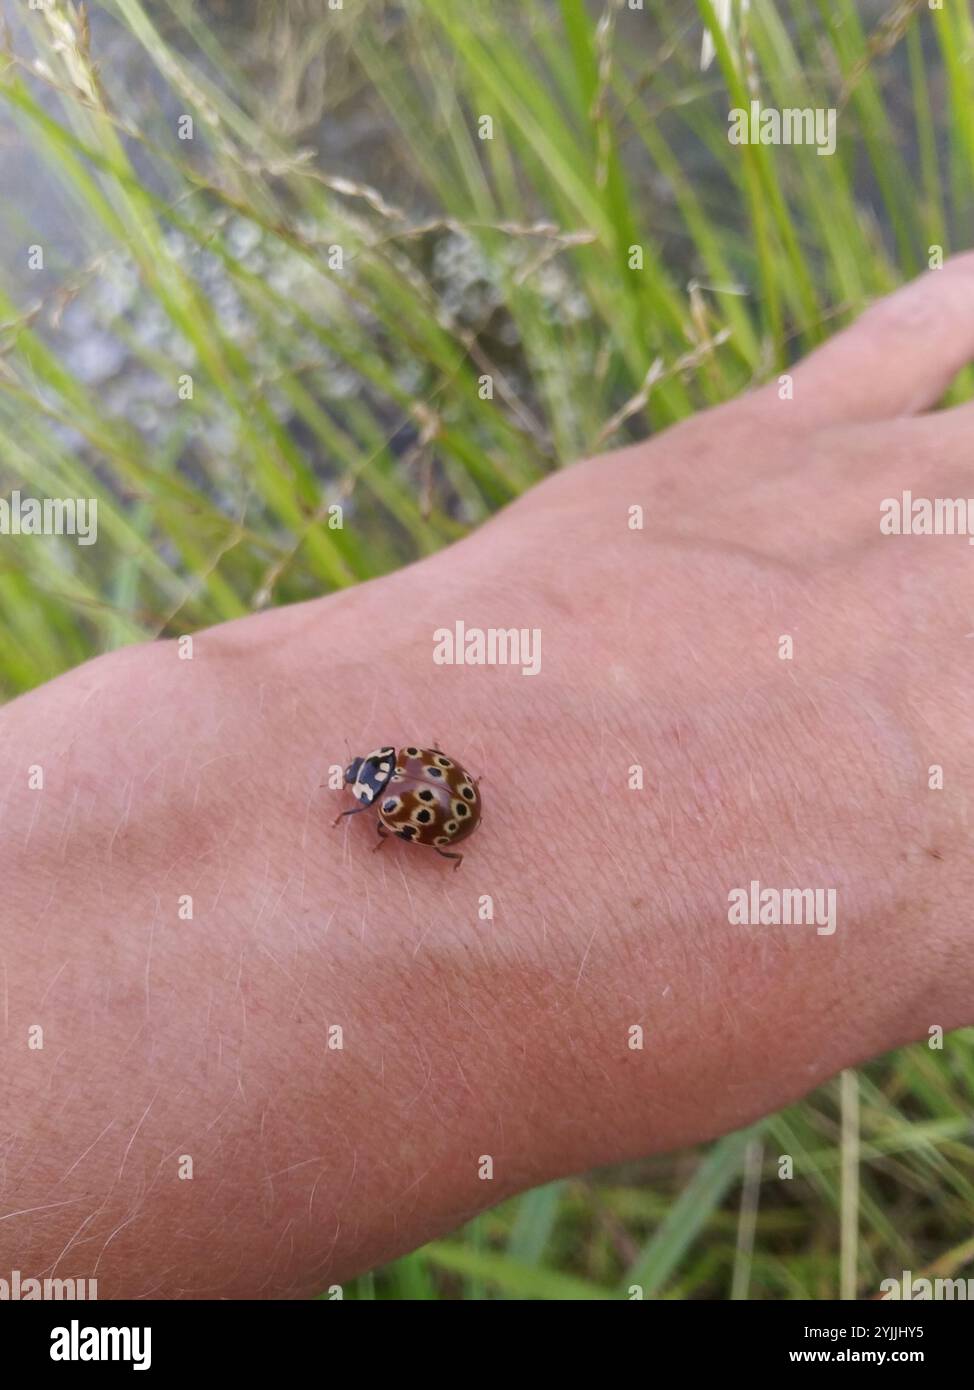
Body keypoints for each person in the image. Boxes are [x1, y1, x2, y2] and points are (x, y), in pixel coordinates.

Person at [2, 257, 972, 1299]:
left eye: (367, 785)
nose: (365, 794)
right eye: (372, 787)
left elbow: (423, 801)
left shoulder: (390, 802)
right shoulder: (395, 787)